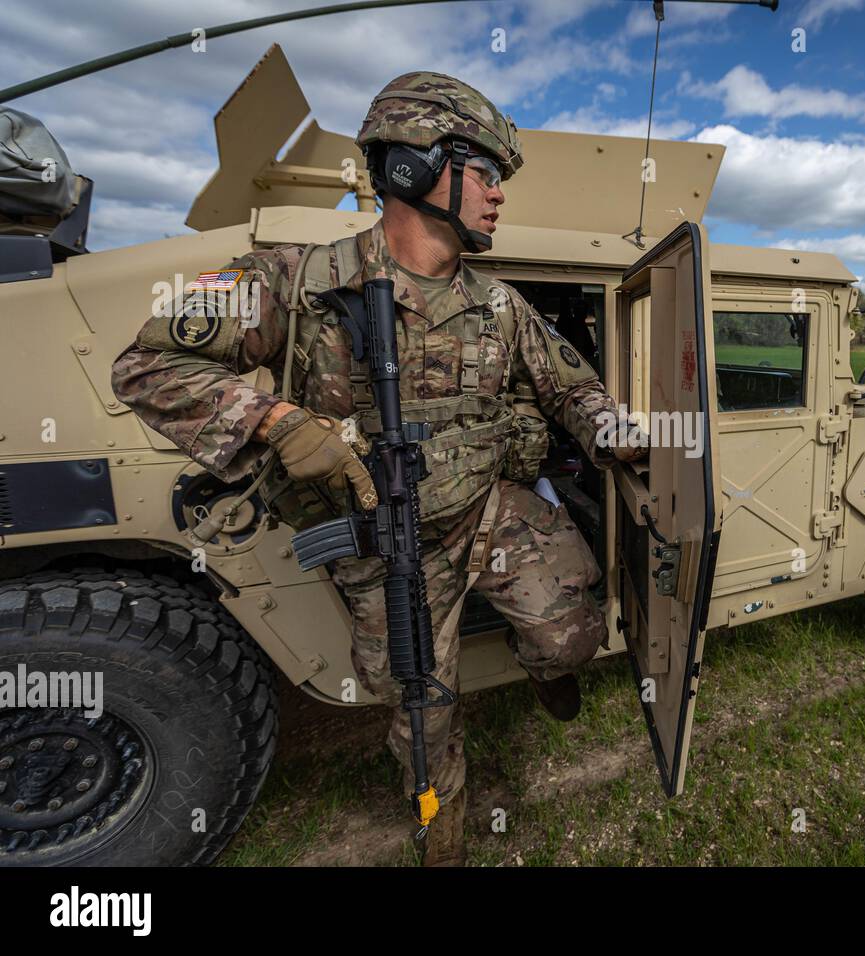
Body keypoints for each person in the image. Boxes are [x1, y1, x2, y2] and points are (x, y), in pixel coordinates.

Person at [110, 71, 645, 866]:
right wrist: (275, 420)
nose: (499, 194)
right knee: (417, 702)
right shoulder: (290, 279)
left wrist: (613, 430)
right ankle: (443, 829)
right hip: (381, 539)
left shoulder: (500, 304)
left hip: (484, 510)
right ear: (412, 165)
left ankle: (546, 668)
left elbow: (571, 387)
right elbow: (145, 365)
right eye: (485, 172)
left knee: (574, 634)